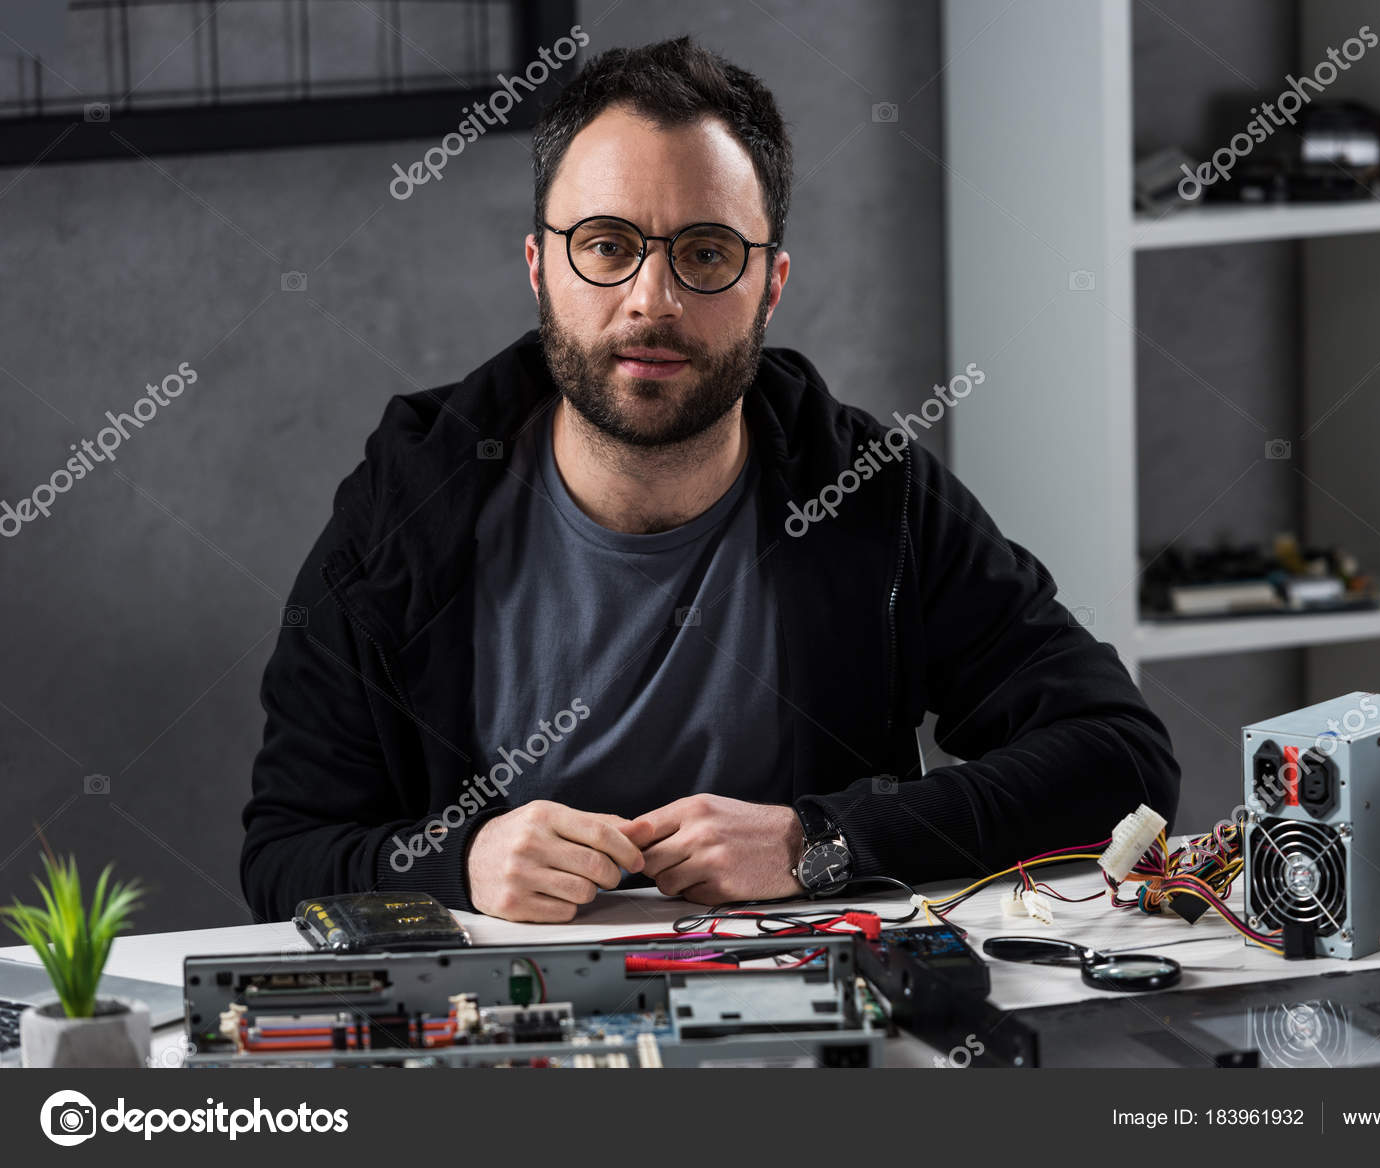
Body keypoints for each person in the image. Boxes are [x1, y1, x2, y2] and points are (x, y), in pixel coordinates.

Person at [240, 36, 1180, 924]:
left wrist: (821, 842)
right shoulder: (408, 505)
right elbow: (284, 855)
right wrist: (462, 863)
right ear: (539, 268)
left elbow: (1122, 761)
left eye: (706, 253)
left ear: (771, 285)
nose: (652, 301)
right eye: (606, 246)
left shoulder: (868, 490)